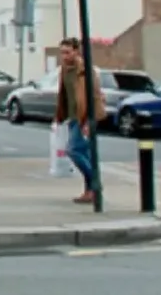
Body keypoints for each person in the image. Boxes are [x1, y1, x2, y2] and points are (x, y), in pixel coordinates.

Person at [53, 36, 107, 205]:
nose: (64, 56)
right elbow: (64, 95)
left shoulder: (85, 70)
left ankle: (96, 184)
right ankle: (89, 190)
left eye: (68, 52)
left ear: (76, 51)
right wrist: (60, 116)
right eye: (62, 53)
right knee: (85, 154)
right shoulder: (64, 69)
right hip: (72, 116)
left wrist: (89, 122)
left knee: (74, 150)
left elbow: (95, 96)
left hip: (85, 117)